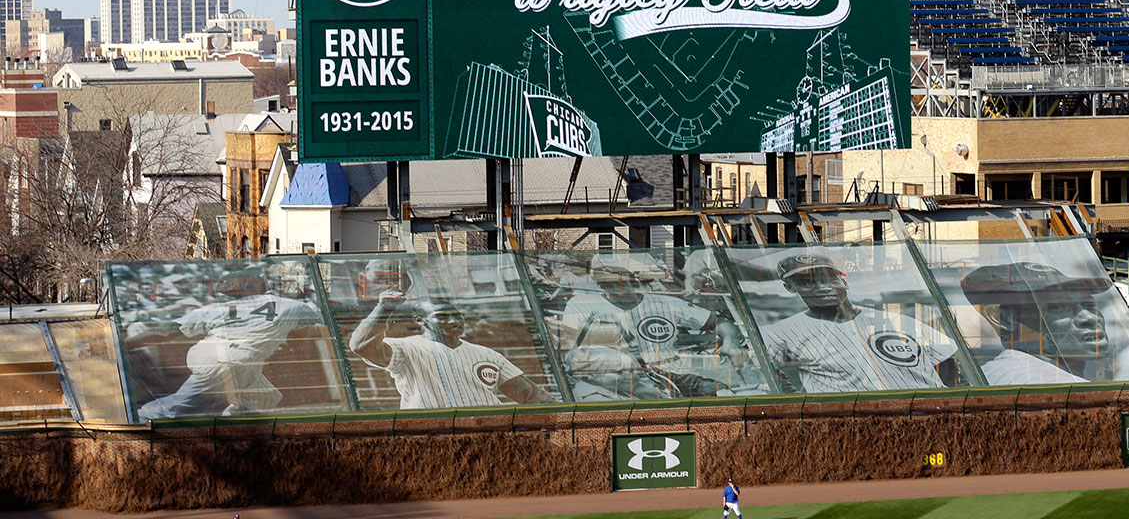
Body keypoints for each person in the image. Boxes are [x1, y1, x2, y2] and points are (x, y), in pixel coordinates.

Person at [137, 270, 323, 420]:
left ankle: (232, 429)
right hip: (230, 360)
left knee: (266, 398)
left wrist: (133, 339)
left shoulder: (220, 308)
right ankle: (140, 421)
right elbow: (311, 324)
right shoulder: (289, 305)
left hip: (219, 357)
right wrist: (294, 342)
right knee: (176, 408)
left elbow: (170, 329)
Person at [558, 255, 749, 400]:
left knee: (724, 394)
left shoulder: (665, 303)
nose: (616, 289)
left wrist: (731, 341)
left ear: (634, 280)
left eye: (621, 282)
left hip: (674, 371)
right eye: (607, 284)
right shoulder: (582, 305)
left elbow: (720, 323)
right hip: (617, 378)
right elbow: (569, 356)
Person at [761, 253, 958, 393]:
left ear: (842, 280)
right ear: (790, 287)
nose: (823, 287)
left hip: (925, 420)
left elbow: (948, 359)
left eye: (828, 277)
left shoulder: (898, 321)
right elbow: (774, 381)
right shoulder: (780, 333)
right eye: (807, 281)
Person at [350, 291, 553, 408]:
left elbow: (531, 396)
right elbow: (361, 346)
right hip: (431, 436)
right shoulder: (407, 348)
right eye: (443, 316)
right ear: (420, 320)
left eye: (457, 315)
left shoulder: (486, 354)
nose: (454, 321)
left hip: (487, 434)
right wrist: (383, 309)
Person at [959, 262, 1111, 383]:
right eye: (1058, 307)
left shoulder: (990, 374)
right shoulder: (1050, 384)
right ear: (1003, 319)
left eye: (1089, 305)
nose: (1090, 318)